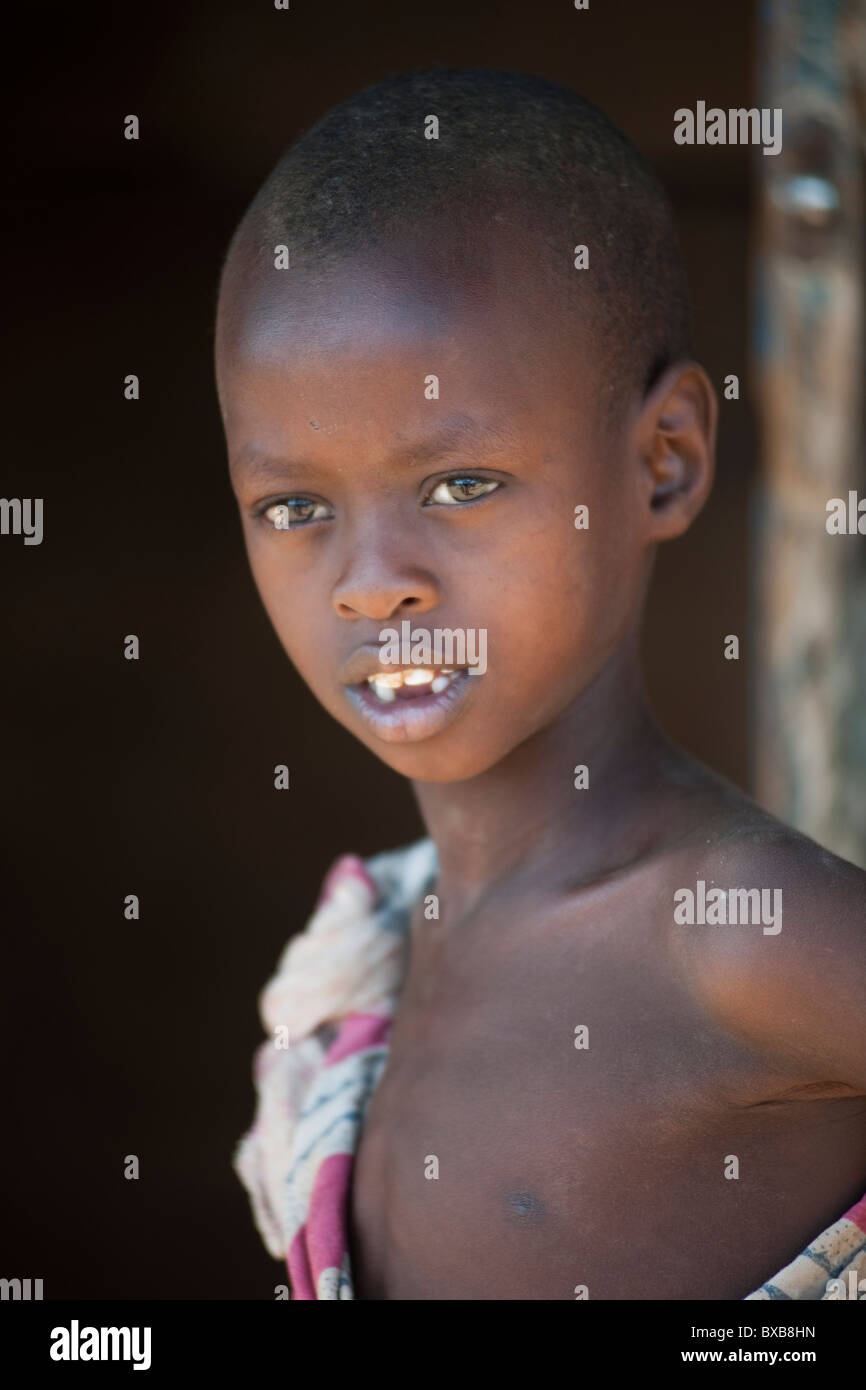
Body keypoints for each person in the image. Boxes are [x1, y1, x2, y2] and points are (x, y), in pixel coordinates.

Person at [215, 67, 866, 1300]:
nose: (370, 585)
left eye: (458, 483)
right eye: (294, 505)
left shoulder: (738, 937)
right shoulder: (369, 957)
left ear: (663, 463)